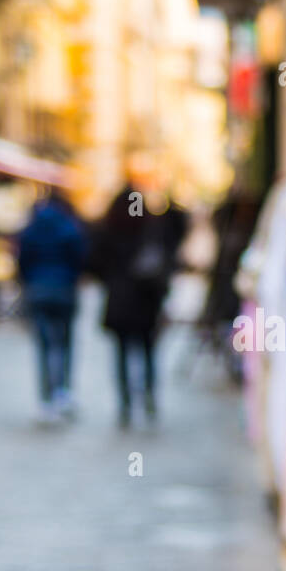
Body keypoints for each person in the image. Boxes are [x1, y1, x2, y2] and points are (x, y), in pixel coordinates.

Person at [90, 176, 188, 428]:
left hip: (120, 303)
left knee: (122, 354)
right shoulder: (149, 230)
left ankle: (125, 403)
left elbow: (95, 264)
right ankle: (148, 398)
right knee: (147, 353)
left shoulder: (109, 230)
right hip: (146, 303)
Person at [17, 186, 87, 424]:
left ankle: (45, 399)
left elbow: (22, 257)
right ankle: (63, 392)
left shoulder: (33, 226)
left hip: (37, 289)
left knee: (44, 346)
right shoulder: (69, 225)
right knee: (64, 343)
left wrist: (28, 281)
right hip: (64, 290)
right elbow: (79, 257)